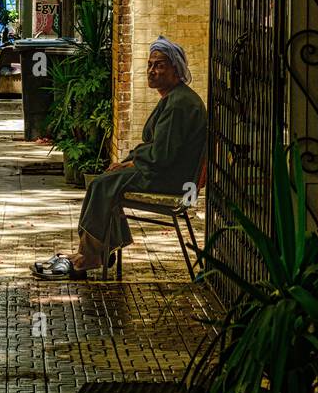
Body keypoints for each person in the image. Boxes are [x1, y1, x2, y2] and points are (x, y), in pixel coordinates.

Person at [32, 38, 207, 279]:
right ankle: (96, 250)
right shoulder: (174, 98)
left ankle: (89, 257)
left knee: (102, 184)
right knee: (105, 180)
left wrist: (132, 162)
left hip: (171, 178)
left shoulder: (180, 104)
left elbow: (162, 155)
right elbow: (157, 148)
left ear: (176, 69)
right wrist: (129, 161)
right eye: (149, 65)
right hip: (165, 171)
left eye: (159, 65)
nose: (152, 71)